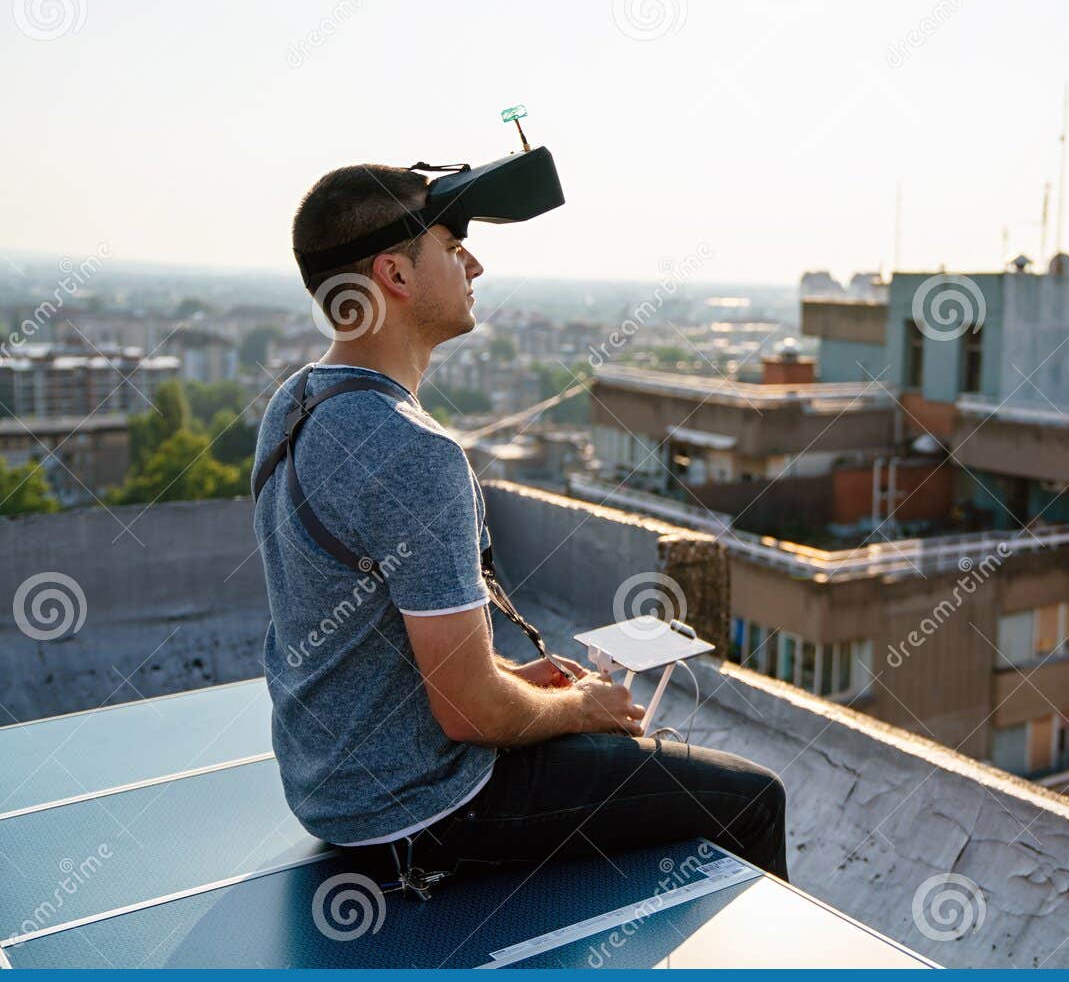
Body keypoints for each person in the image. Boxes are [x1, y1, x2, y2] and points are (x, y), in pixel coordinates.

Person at [251, 163, 787, 885]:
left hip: (331, 793)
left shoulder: (295, 405)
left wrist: (511, 675)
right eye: (450, 243)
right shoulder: (414, 451)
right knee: (755, 799)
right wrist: (581, 706)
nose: (474, 262)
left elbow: (379, 638)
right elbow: (470, 714)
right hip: (429, 810)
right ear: (395, 275)